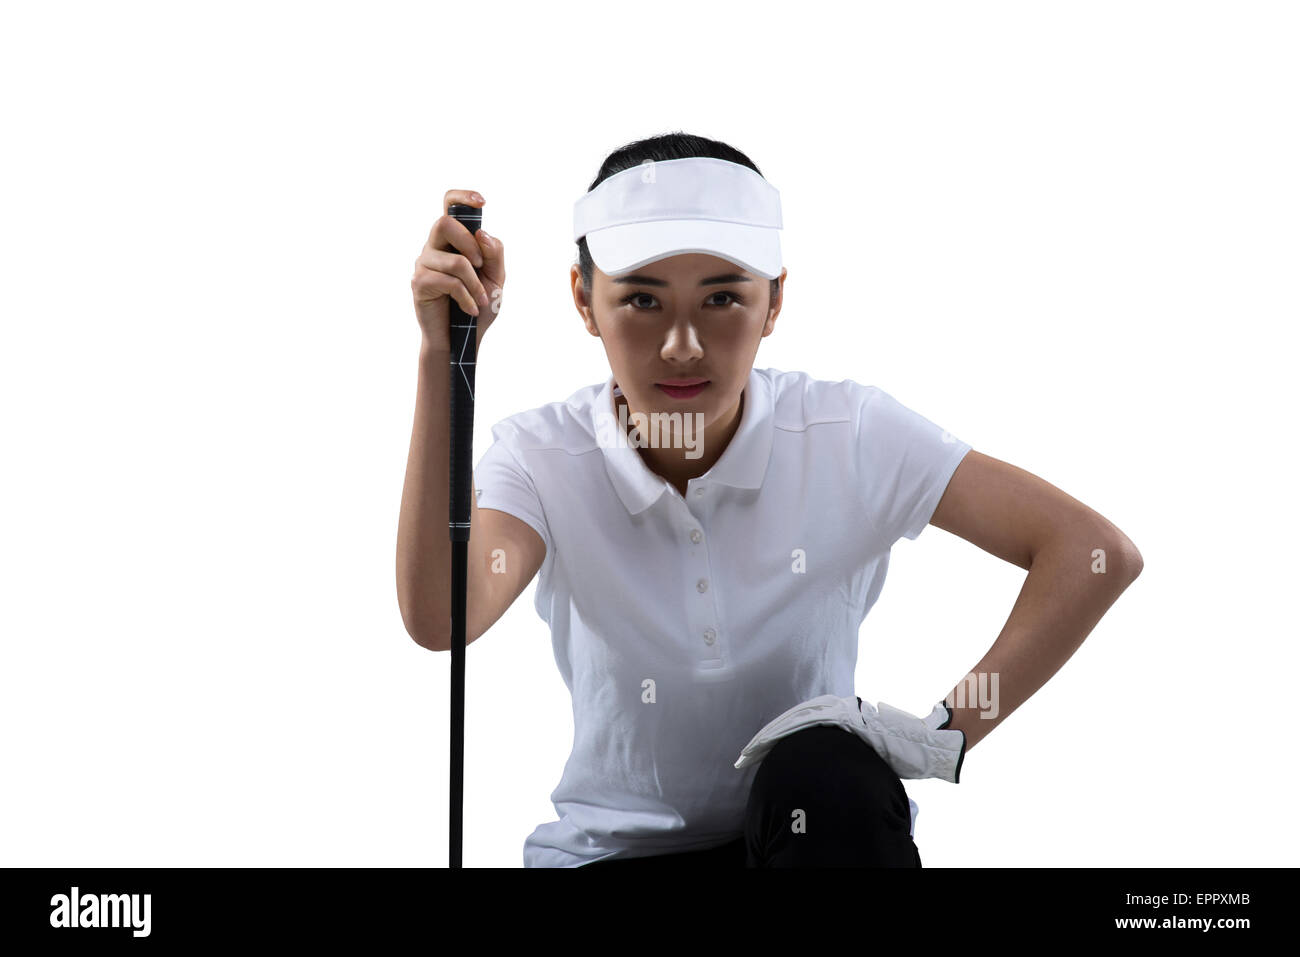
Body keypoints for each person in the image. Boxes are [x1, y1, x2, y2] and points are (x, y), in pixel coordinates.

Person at [395, 132, 1144, 868]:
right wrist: (442, 354)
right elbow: (442, 615)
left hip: (812, 838)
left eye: (722, 296)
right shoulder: (543, 454)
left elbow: (1092, 552)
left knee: (827, 772)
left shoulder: (847, 434)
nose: (683, 343)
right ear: (584, 301)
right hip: (607, 858)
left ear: (775, 299)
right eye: (643, 300)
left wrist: (947, 729)